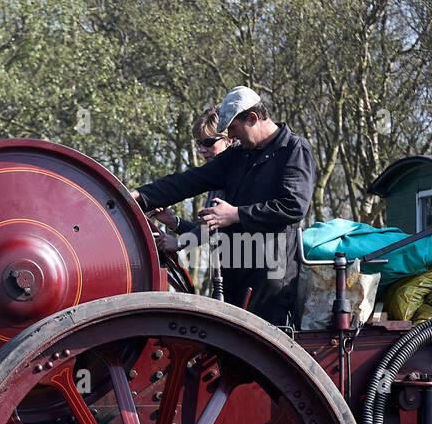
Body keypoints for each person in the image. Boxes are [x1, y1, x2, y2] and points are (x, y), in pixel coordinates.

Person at [131, 86, 315, 325]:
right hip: (232, 270)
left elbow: (294, 205)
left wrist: (235, 214)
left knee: (259, 349)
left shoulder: (294, 150)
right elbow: (189, 181)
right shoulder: (239, 156)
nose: (234, 137)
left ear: (252, 118)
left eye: (235, 129)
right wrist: (138, 195)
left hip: (269, 276)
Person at [147, 107, 234, 240]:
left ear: (229, 139)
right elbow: (208, 234)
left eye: (208, 142)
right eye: (199, 143)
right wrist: (172, 221)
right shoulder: (214, 179)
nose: (202, 149)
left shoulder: (241, 176)